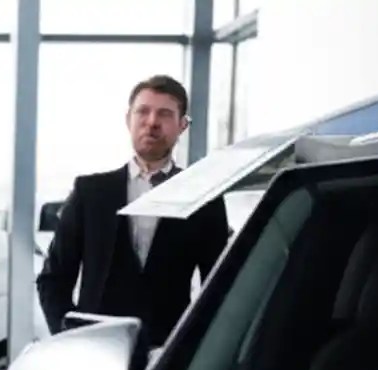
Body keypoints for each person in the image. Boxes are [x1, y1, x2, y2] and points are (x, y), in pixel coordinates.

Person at [36, 74, 231, 348]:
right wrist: (68, 340)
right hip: (94, 349)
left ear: (182, 125)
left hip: (169, 353)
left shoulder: (203, 195)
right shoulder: (90, 192)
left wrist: (195, 348)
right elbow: (53, 279)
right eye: (143, 111)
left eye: (164, 114)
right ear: (128, 119)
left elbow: (219, 285)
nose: (152, 122)